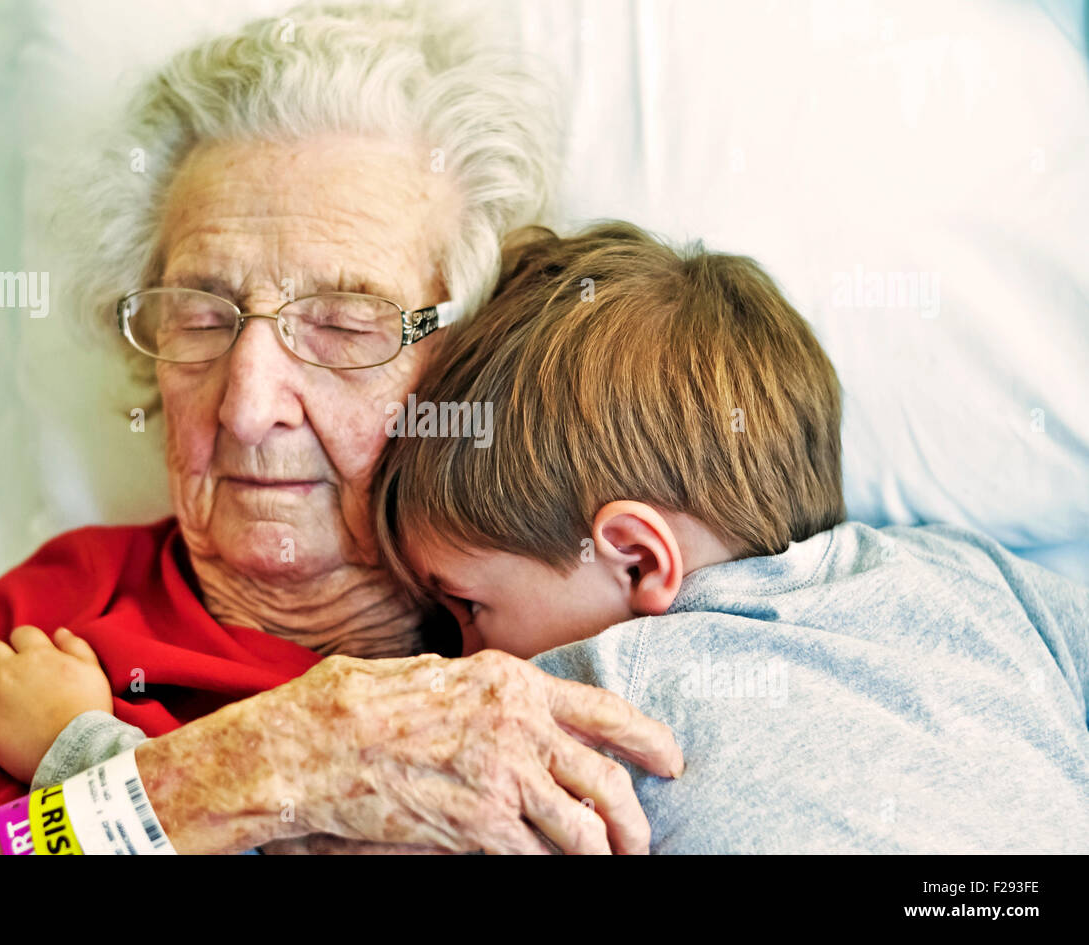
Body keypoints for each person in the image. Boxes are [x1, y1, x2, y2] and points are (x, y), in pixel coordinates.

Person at [0, 0, 682, 856]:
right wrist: (228, 777)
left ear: (470, 353)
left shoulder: (562, 628)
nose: (248, 408)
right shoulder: (42, 625)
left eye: (344, 322)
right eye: (202, 315)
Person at [369, 222, 1089, 851]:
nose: (460, 661)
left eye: (466, 608)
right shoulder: (968, 573)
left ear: (638, 560)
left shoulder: (598, 690)